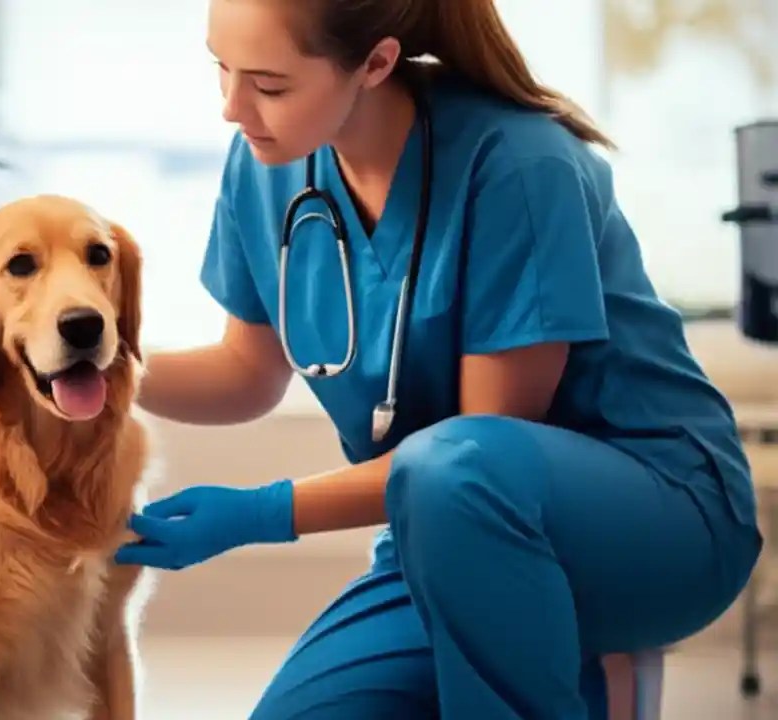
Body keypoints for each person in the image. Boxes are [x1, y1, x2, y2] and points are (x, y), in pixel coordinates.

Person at [112, 0, 764, 718]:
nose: (233, 109)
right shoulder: (270, 162)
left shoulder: (518, 164)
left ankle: (589, 663)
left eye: (268, 85)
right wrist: (102, 368)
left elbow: (476, 452)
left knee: (451, 472)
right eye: (221, 69)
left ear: (377, 63)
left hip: (659, 520)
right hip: (449, 537)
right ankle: (566, 664)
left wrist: (263, 512)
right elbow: (247, 371)